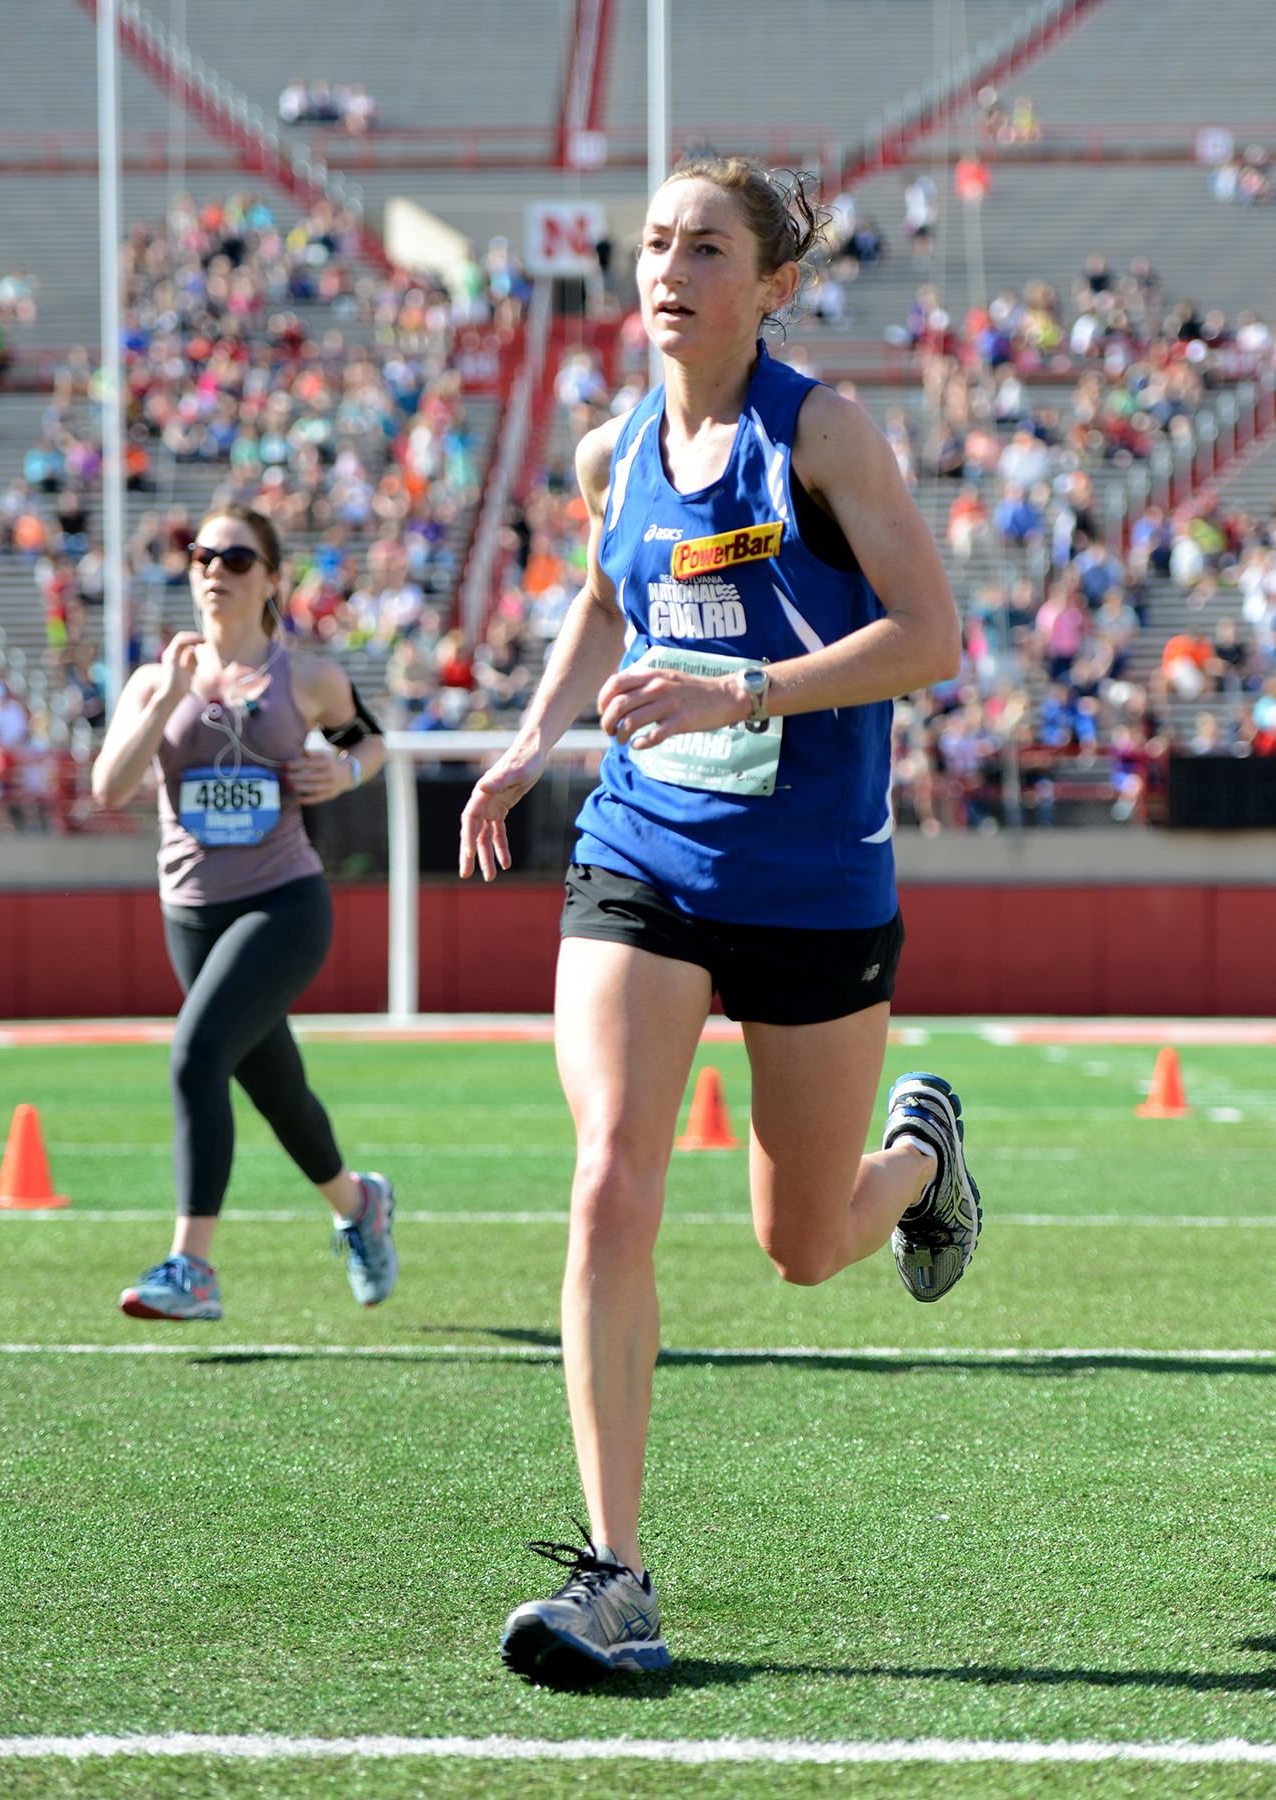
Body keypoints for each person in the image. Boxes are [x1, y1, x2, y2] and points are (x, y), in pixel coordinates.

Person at [459, 156, 980, 1686]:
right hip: (644, 856)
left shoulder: (820, 429)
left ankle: (922, 1155)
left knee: (802, 1245)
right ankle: (612, 1574)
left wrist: (739, 687)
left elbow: (930, 635)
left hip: (812, 880)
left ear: (768, 287)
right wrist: (531, 734)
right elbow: (606, 600)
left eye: (705, 247)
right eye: (652, 243)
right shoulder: (610, 444)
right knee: (610, 1177)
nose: (668, 268)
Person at [91, 504, 395, 1322]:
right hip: (190, 915)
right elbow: (107, 789)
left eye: (234, 557)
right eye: (201, 556)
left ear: (270, 579)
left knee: (196, 1057)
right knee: (277, 1090)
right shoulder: (155, 680)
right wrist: (165, 702)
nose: (214, 570)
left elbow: (370, 740)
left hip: (284, 904)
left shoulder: (306, 677)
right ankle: (359, 1204)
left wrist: (345, 774)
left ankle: (192, 1267)